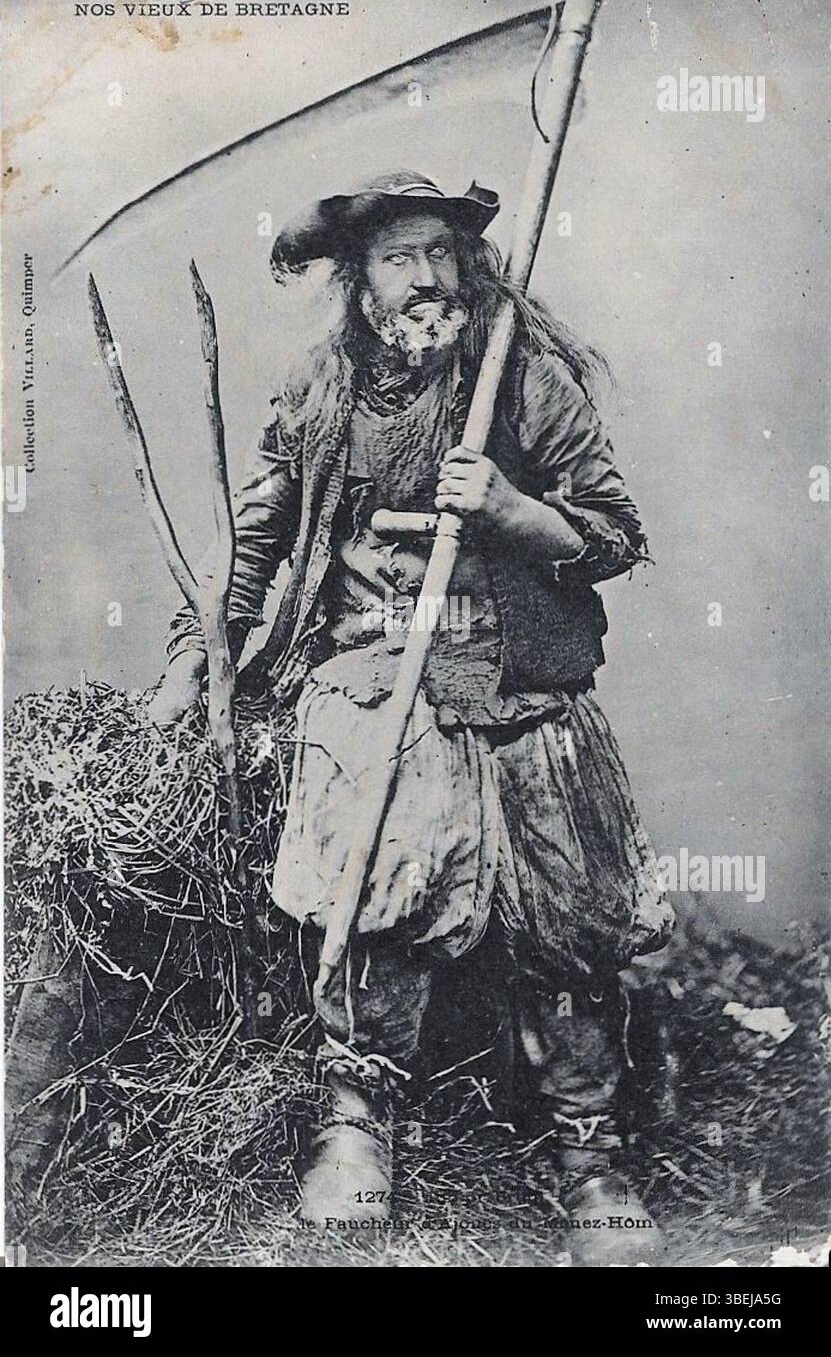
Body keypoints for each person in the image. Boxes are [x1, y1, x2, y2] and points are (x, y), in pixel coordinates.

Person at [149, 171, 675, 1263]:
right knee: (376, 875)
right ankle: (360, 1124)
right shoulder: (317, 389)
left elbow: (616, 534)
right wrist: (198, 656)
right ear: (361, 283)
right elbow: (256, 542)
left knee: (567, 903)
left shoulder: (521, 378)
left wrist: (514, 510)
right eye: (401, 258)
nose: (430, 276)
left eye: (443, 252)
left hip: (522, 675)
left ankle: (589, 1148)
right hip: (375, 673)